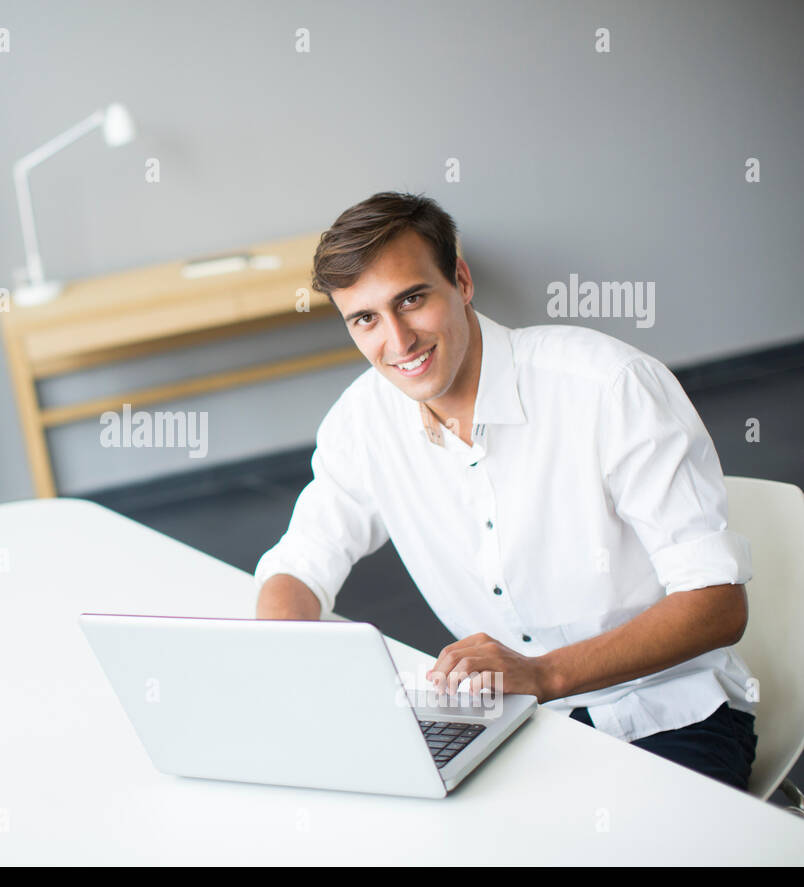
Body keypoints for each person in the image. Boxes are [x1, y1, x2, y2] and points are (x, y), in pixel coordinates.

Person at [254, 191, 758, 791]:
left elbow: (717, 604)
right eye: (365, 319)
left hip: (671, 713)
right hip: (509, 725)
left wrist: (542, 675)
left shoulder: (607, 386)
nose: (398, 341)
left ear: (461, 281)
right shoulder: (363, 420)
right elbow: (300, 563)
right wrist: (293, 663)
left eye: (411, 299)